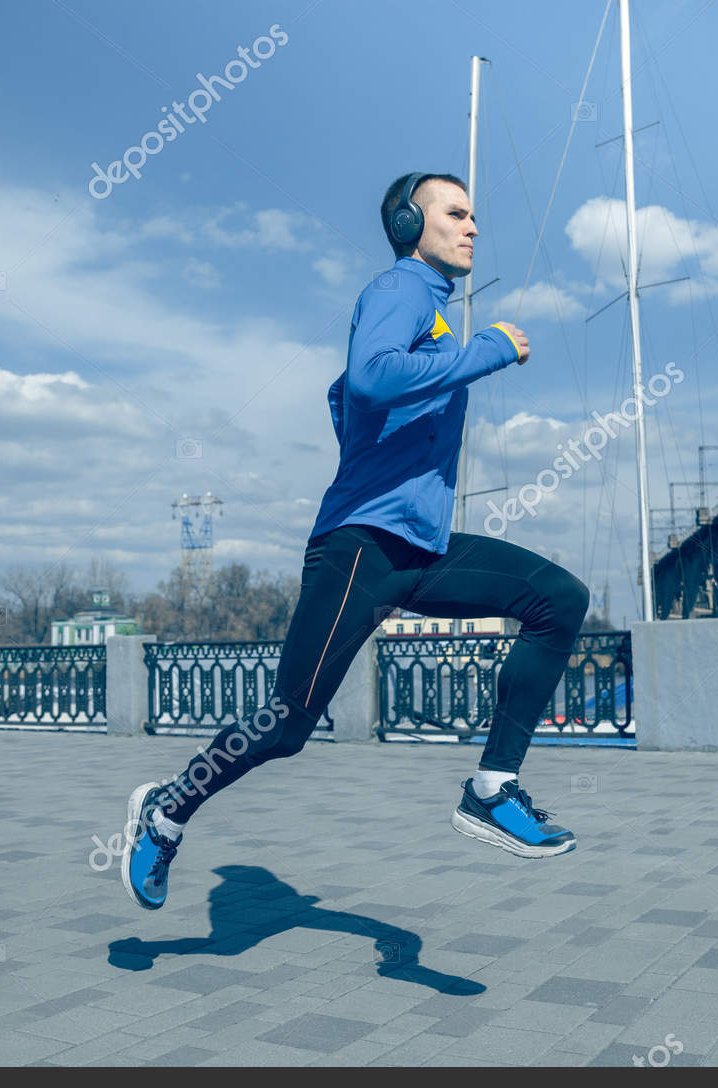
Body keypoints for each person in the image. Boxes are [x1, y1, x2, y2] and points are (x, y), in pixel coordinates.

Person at [122, 172, 591, 910]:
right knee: (286, 726)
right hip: (362, 550)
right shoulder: (401, 288)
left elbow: (344, 397)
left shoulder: (433, 313)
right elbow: (369, 379)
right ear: (410, 224)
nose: (473, 227)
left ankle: (492, 787)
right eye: (456, 213)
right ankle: (168, 808)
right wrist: (490, 348)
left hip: (421, 550)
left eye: (474, 216)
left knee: (557, 598)